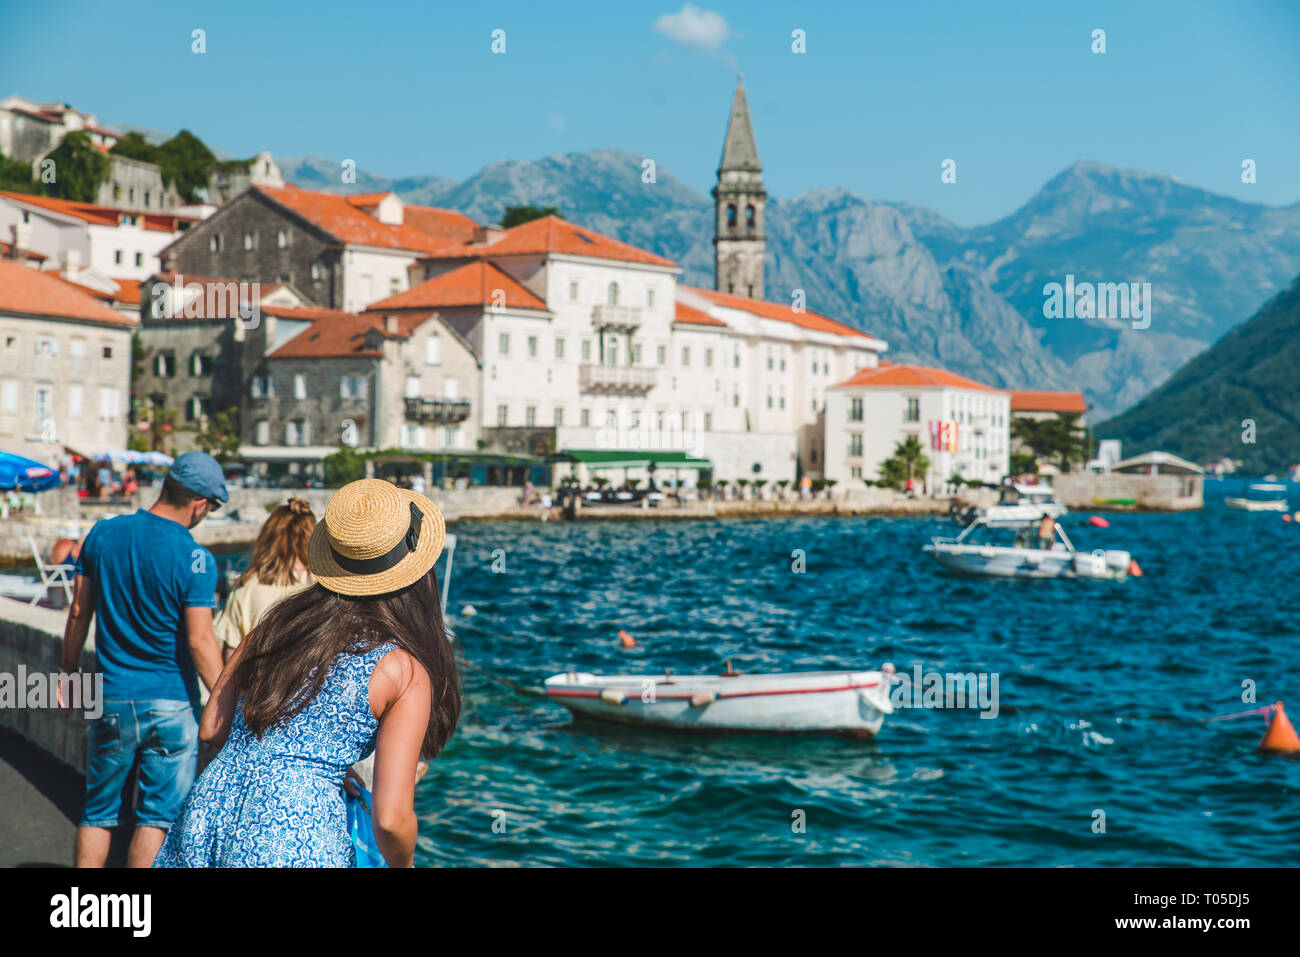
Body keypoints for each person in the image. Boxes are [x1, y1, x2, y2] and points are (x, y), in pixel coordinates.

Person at [154, 478, 461, 868]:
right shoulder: (402, 669)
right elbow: (390, 818)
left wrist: (309, 760)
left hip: (207, 814)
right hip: (293, 834)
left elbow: (213, 728)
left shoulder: (277, 623)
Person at [59, 450, 227, 867]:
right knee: (156, 821)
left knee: (98, 814)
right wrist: (230, 701)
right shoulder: (197, 559)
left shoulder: (102, 534)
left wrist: (67, 673)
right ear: (200, 503)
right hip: (172, 704)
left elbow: (79, 611)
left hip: (113, 698)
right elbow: (201, 642)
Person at [214, 498, 316, 664]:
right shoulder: (323, 584)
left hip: (260, 686)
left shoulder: (246, 588)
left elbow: (231, 657)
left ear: (268, 536)